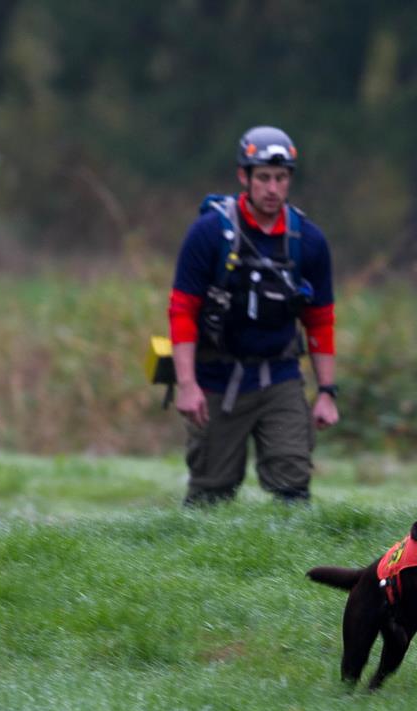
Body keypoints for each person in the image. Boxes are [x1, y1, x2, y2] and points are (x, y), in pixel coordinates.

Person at [168, 125, 339, 506]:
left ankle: (291, 562)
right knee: (210, 492)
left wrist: (327, 392)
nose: (272, 188)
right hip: (215, 379)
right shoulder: (209, 233)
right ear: (243, 177)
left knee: (293, 486)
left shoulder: (308, 241)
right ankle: (199, 562)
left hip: (279, 377)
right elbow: (182, 311)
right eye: (263, 178)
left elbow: (320, 320)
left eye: (281, 178)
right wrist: (186, 384)